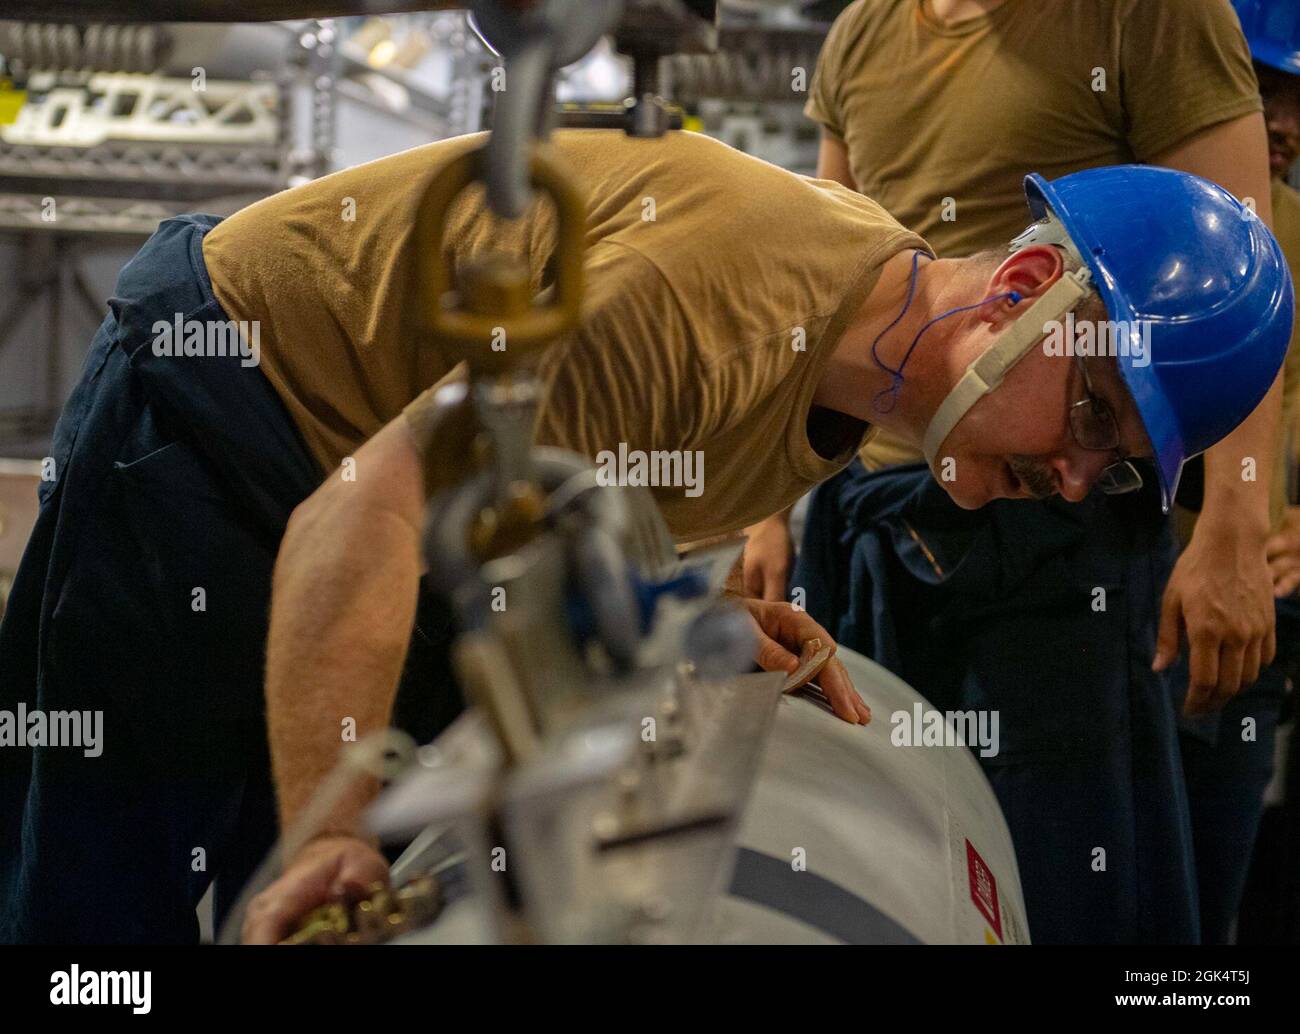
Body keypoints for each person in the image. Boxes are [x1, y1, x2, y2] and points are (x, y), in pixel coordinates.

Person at [0, 127, 1287, 945]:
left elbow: (568, 472)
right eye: (1091, 410)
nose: (1071, 476)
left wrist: (676, 606)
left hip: (373, 487)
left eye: (1114, 464)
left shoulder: (863, 357)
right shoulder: (719, 308)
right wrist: (332, 821)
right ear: (1021, 288)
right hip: (223, 410)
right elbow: (368, 505)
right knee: (107, 906)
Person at [755, 0, 1283, 942]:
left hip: (1057, 530)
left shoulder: (1146, 15)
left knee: (1071, 889)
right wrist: (770, 507)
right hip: (873, 519)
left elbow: (1238, 291)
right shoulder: (863, 31)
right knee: (902, 863)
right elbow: (827, 276)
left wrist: (1236, 529)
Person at [1166, 0, 1300, 945]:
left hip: (1251, 615)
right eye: (1263, 89)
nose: (1284, 123)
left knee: (1208, 904)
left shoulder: (1294, 225)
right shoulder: (1149, 224)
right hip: (1121, 604)